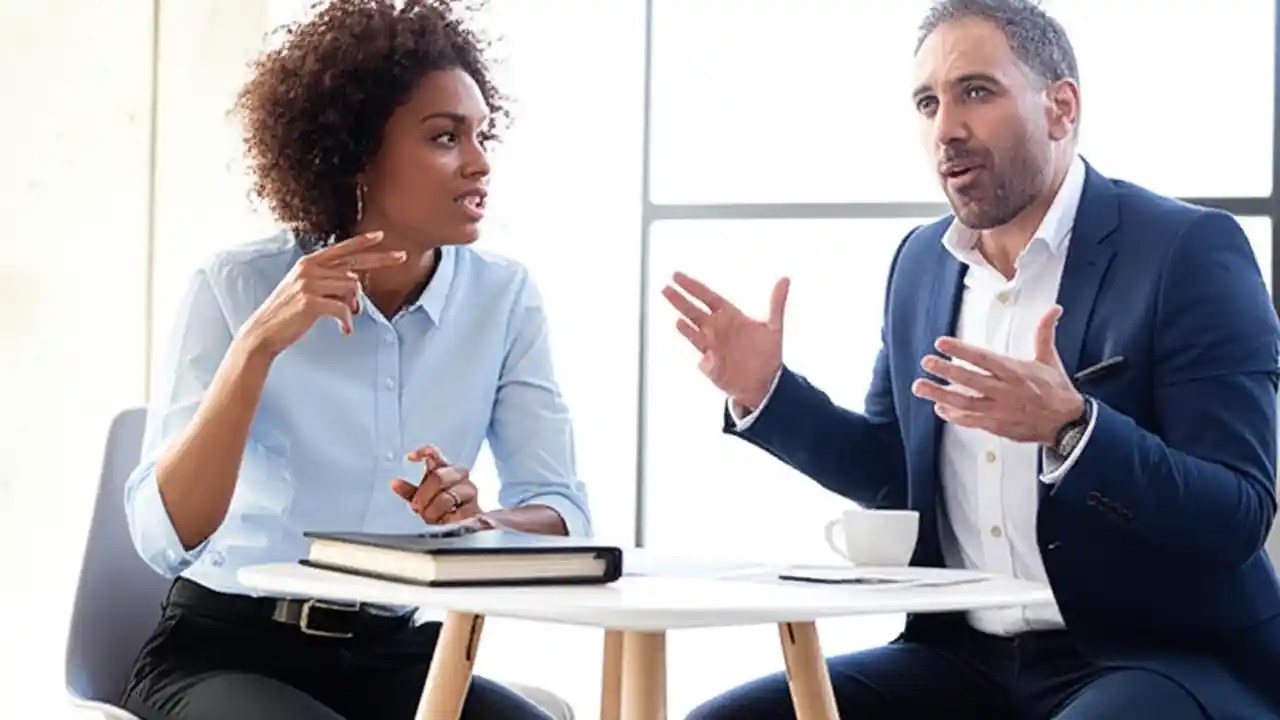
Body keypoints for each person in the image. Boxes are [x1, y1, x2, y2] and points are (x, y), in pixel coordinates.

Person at [665, 0, 1280, 718]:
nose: (946, 128)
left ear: (1060, 108)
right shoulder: (922, 263)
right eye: (927, 102)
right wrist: (768, 394)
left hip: (1152, 655)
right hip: (960, 659)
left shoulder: (1187, 251)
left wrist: (1074, 428)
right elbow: (897, 477)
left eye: (976, 93)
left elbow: (1237, 512)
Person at [119, 1, 588, 718]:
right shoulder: (236, 286)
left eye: (481, 135)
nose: (479, 162)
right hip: (230, 650)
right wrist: (256, 348)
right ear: (357, 155)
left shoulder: (504, 298)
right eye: (444, 137)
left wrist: (481, 519)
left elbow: (563, 514)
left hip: (400, 656)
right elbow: (164, 538)